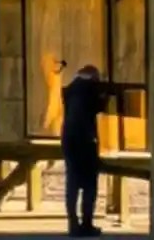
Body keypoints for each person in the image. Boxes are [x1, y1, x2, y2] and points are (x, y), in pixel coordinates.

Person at [62, 65, 111, 237]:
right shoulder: (90, 89)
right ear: (93, 77)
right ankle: (87, 223)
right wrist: (105, 96)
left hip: (68, 140)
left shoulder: (68, 90)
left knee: (72, 184)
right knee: (90, 185)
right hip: (86, 141)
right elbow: (99, 106)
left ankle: (73, 223)